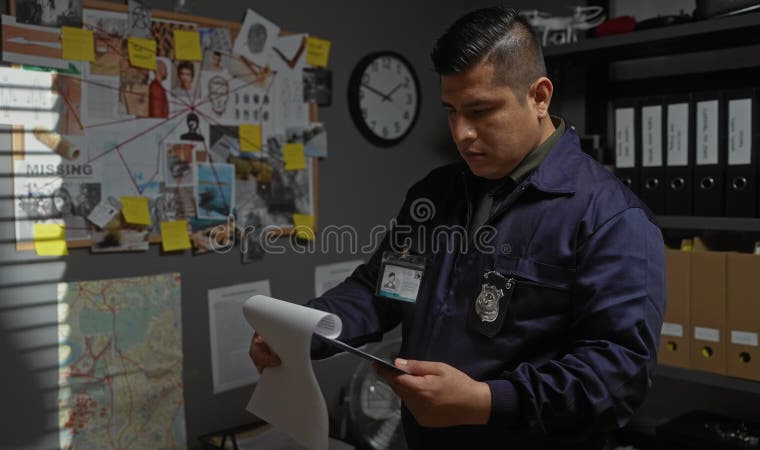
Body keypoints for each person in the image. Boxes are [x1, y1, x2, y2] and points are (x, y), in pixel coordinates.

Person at [250, 7, 665, 450]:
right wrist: (304, 333)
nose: (462, 133)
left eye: (480, 110)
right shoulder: (438, 193)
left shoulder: (611, 217)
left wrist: (486, 401)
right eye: (451, 111)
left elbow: (617, 377)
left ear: (540, 96)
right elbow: (383, 289)